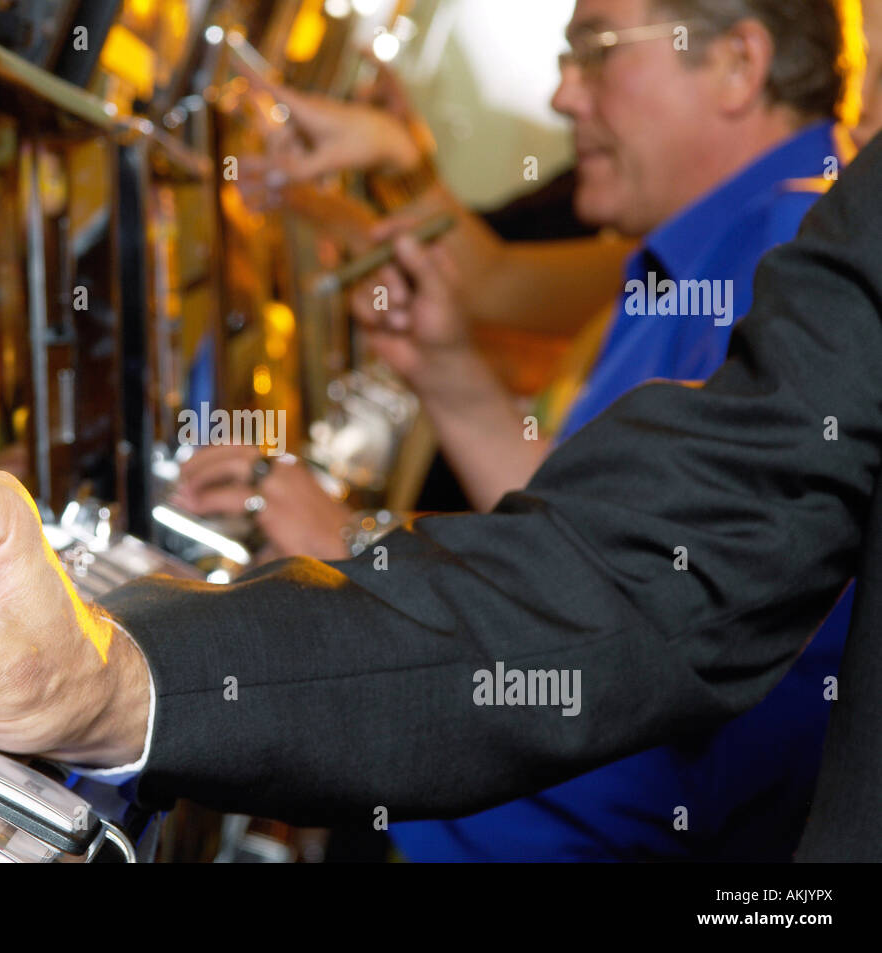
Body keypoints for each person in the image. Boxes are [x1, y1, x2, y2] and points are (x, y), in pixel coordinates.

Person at [178, 0, 861, 860]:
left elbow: (643, 613)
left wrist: (354, 546)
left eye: (595, 53)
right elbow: (604, 530)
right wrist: (452, 378)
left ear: (738, 62)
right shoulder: (718, 242)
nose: (564, 97)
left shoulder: (785, 260)